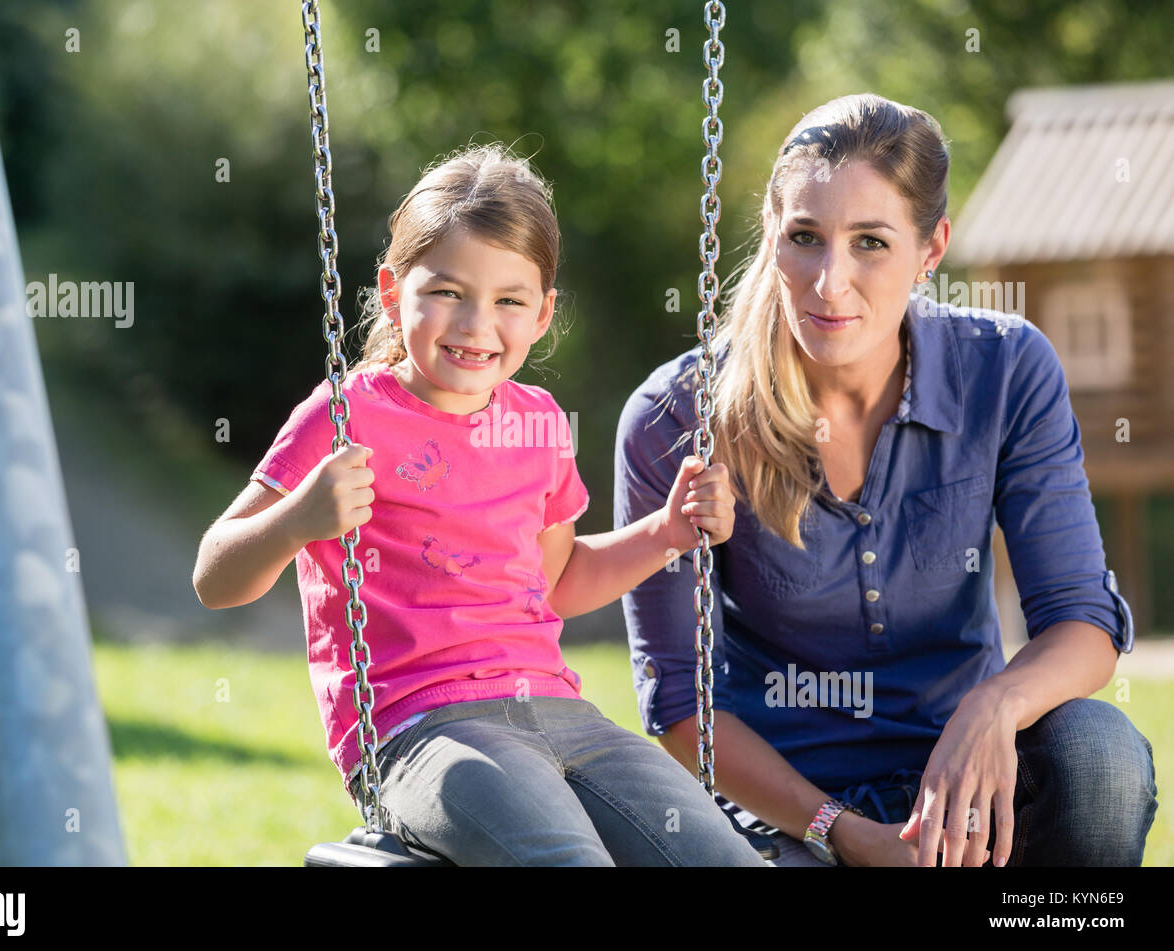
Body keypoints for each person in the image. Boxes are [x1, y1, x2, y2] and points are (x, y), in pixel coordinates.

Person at [615, 93, 1157, 867]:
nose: (830, 283)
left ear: (932, 248)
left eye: (870, 242)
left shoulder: (1005, 370)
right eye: (804, 238)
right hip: (781, 817)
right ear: (772, 235)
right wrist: (842, 833)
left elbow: (1082, 623)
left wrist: (994, 705)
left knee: (1100, 757)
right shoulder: (677, 418)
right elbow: (680, 706)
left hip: (970, 785)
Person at [192, 143, 767, 866]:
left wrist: (665, 532)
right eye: (447, 292)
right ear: (392, 289)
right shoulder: (346, 414)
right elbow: (215, 576)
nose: (475, 325)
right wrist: (299, 519)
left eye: (508, 301)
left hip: (565, 718)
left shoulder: (539, 421)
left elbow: (557, 582)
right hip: (423, 728)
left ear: (543, 313)